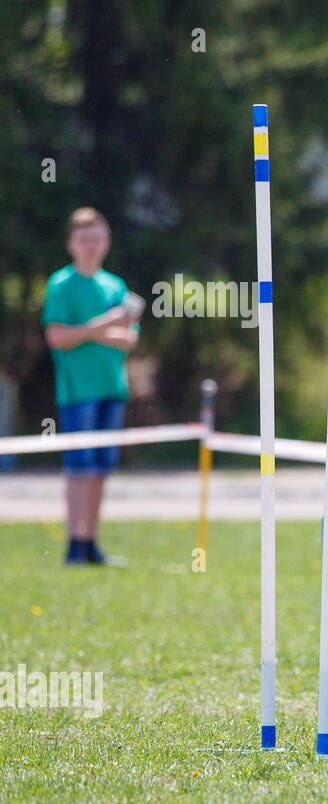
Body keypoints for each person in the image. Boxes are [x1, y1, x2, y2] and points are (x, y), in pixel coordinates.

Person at [42, 207, 142, 565]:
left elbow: (130, 338)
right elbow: (57, 337)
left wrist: (92, 331)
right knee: (79, 469)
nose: (90, 246)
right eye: (84, 239)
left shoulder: (114, 286)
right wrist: (104, 326)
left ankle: (91, 541)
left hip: (112, 388)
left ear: (107, 242)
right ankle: (74, 543)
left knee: (101, 469)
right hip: (76, 392)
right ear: (71, 243)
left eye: (96, 238)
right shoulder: (60, 285)